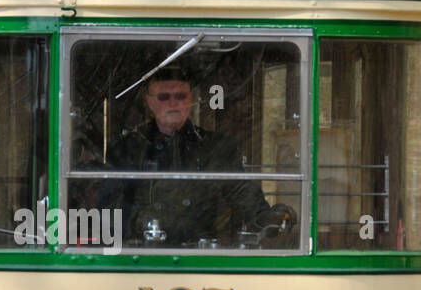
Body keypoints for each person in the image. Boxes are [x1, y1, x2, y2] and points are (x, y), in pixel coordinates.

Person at [104, 66, 294, 247]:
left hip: (199, 251)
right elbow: (111, 204)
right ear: (150, 102)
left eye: (180, 96)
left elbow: (239, 188)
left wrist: (264, 217)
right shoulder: (127, 149)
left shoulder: (214, 147)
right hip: (142, 253)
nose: (173, 103)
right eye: (164, 97)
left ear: (190, 99)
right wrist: (138, 222)